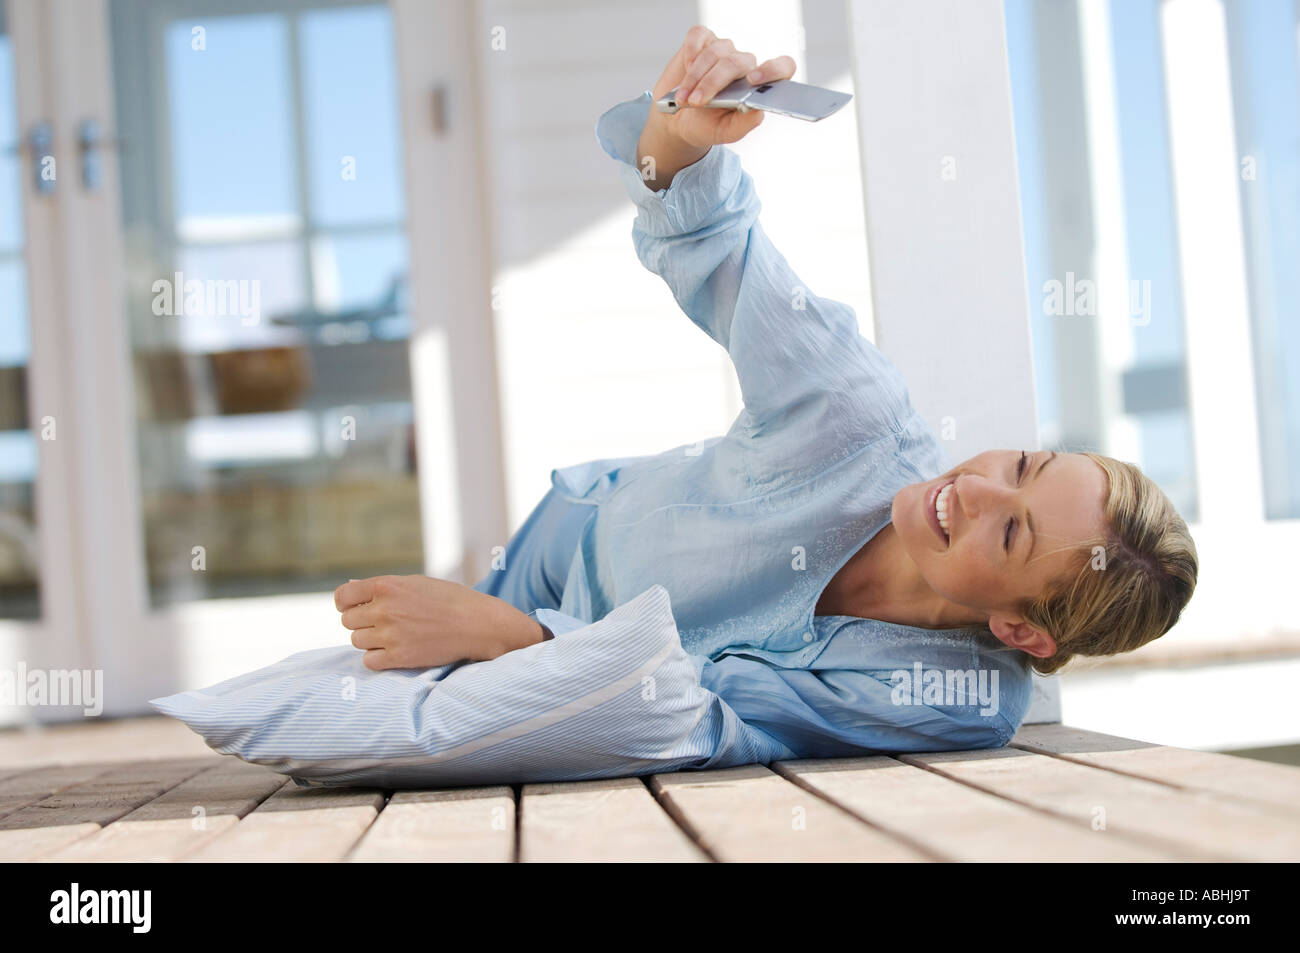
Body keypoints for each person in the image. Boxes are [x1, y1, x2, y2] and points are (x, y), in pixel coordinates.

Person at [332, 26, 1198, 760]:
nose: (971, 487)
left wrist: (512, 647)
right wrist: (680, 140)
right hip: (567, 556)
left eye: (1011, 530)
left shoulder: (958, 698)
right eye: (1021, 463)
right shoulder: (852, 413)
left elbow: (715, 716)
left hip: (563, 662)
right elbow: (717, 244)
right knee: (348, 705)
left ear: (1022, 634)